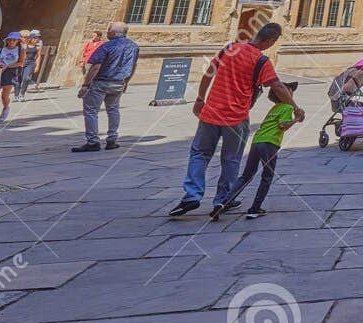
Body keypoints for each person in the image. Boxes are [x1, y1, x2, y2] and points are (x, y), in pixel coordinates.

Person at [170, 23, 302, 217]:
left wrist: (200, 98)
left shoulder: (229, 49)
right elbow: (277, 86)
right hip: (236, 117)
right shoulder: (261, 60)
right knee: (231, 159)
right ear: (271, 41)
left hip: (211, 111)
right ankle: (223, 199)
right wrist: (295, 107)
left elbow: (208, 73)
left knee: (199, 153)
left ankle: (191, 196)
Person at [212, 82, 299, 220]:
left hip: (257, 141)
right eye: (290, 91)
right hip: (270, 143)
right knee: (267, 177)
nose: (293, 94)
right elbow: (282, 126)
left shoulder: (274, 108)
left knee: (246, 175)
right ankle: (255, 208)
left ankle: (223, 203)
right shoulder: (287, 107)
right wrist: (296, 119)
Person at [72, 21, 138, 152]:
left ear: (113, 33)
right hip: (119, 82)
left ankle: (93, 141)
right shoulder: (133, 46)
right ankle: (112, 139)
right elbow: (133, 65)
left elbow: (96, 66)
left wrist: (85, 85)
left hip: (101, 82)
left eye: (108, 30)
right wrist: (127, 81)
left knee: (91, 111)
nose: (107, 33)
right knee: (113, 110)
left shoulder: (107, 46)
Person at [17, 30, 41, 97]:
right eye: (35, 38)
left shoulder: (38, 47)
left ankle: (22, 94)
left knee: (26, 78)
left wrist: (37, 66)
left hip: (31, 63)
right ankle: (17, 92)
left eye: (37, 38)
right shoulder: (24, 45)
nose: (37, 39)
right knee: (19, 79)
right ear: (31, 39)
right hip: (22, 62)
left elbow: (38, 56)